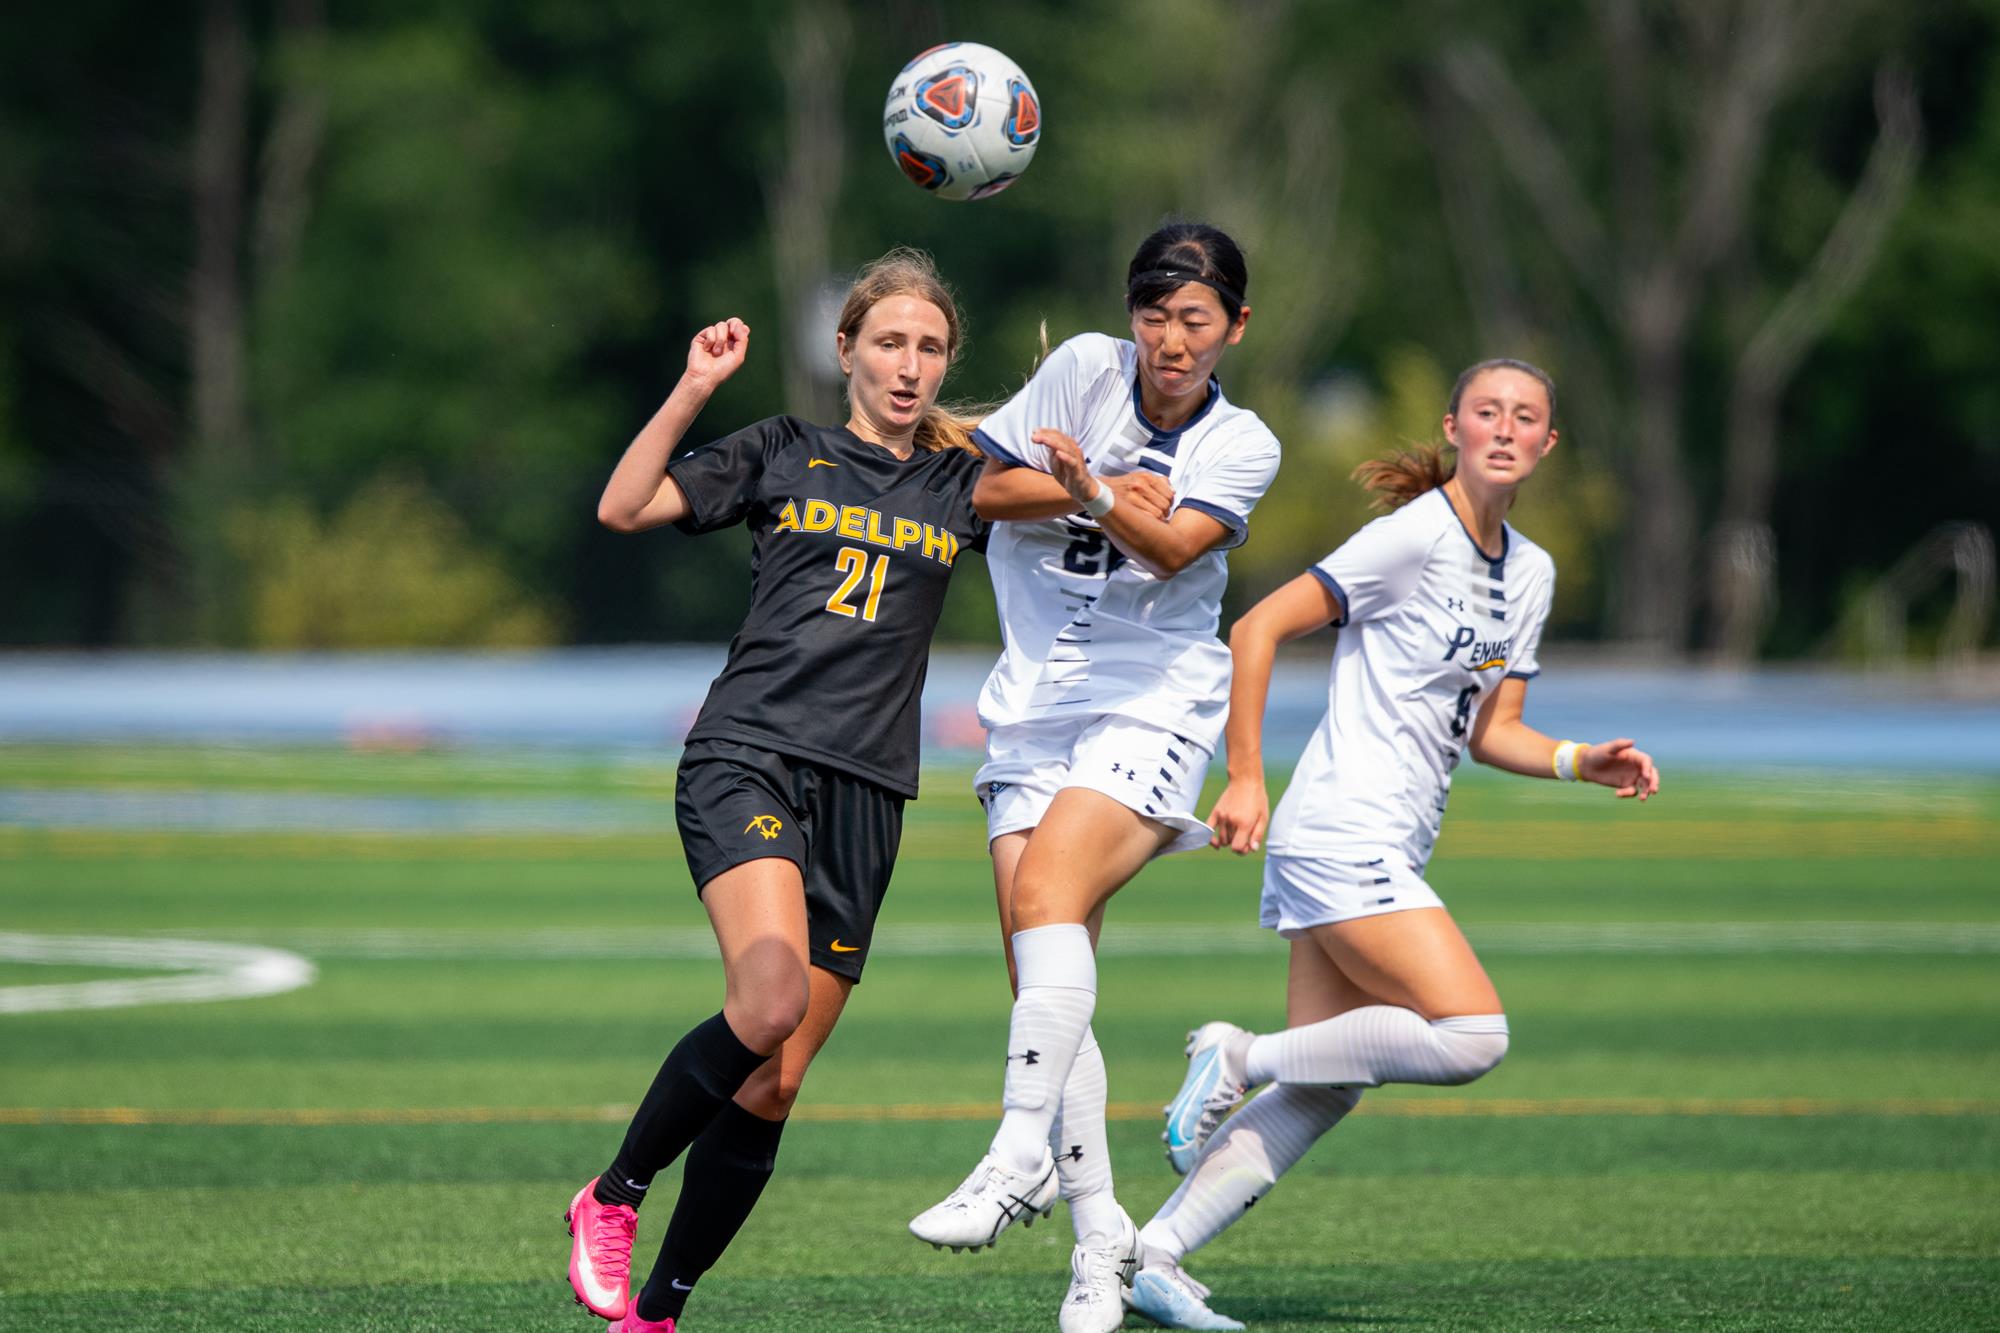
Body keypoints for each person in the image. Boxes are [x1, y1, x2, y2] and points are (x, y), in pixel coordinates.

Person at [1126, 358, 1661, 1330]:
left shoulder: (1527, 571)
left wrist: (1580, 759)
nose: (1504, 427)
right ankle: (1234, 1049)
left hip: (1374, 844)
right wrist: (1243, 775)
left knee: (1326, 1085)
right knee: (1470, 1036)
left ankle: (1151, 1252)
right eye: (1486, 410)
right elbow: (1255, 628)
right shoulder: (1410, 537)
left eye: (1525, 416)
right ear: (1452, 426)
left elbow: (1491, 727)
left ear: (1546, 445)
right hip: (1338, 828)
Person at [562, 249, 999, 1333]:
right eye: (888, 342)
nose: (908, 366)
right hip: (747, 755)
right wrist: (695, 385)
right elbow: (622, 507)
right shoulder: (780, 451)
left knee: (774, 1081)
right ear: (843, 349)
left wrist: (1094, 474)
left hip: (870, 796)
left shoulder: (963, 482)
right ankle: (611, 1194)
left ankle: (655, 1312)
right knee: (766, 1002)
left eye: (930, 347)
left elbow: (1106, 503)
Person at [907, 222, 1283, 1333]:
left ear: (1234, 328)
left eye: (1195, 321)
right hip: (1030, 712)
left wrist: (1083, 485)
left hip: (1154, 701)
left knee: (1044, 902)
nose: (1171, 341)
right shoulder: (1078, 366)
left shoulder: (1243, 440)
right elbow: (971, 492)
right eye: (1155, 316)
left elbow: (1178, 548)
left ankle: (1014, 1152)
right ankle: (1098, 1246)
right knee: (1043, 975)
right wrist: (1091, 486)